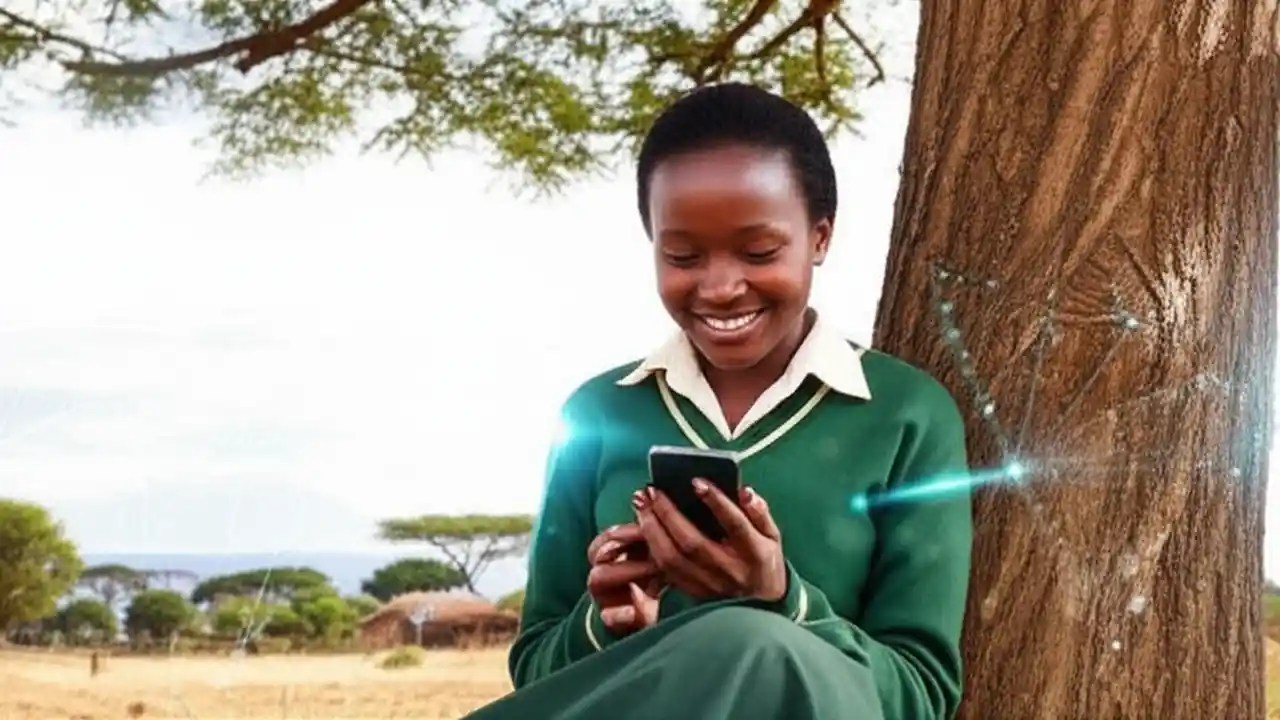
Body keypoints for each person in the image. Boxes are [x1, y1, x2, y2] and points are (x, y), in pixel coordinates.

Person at [465, 83, 973, 720]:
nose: (722, 287)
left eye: (760, 252)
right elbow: (537, 677)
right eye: (682, 256)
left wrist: (781, 599)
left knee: (744, 642)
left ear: (819, 237)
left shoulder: (906, 414)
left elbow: (920, 692)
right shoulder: (596, 415)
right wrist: (605, 624)